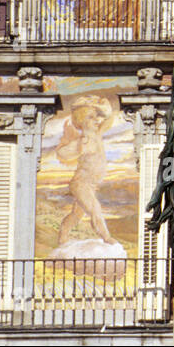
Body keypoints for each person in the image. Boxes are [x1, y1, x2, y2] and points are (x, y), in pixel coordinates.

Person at [55, 95, 119, 247]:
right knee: (95, 209)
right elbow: (62, 153)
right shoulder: (81, 141)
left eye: (96, 117)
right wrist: (76, 147)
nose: (97, 120)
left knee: (76, 215)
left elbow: (109, 118)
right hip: (81, 184)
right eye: (91, 117)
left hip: (90, 185)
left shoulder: (97, 134)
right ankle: (106, 238)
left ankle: (62, 236)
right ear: (82, 121)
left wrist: (97, 107)